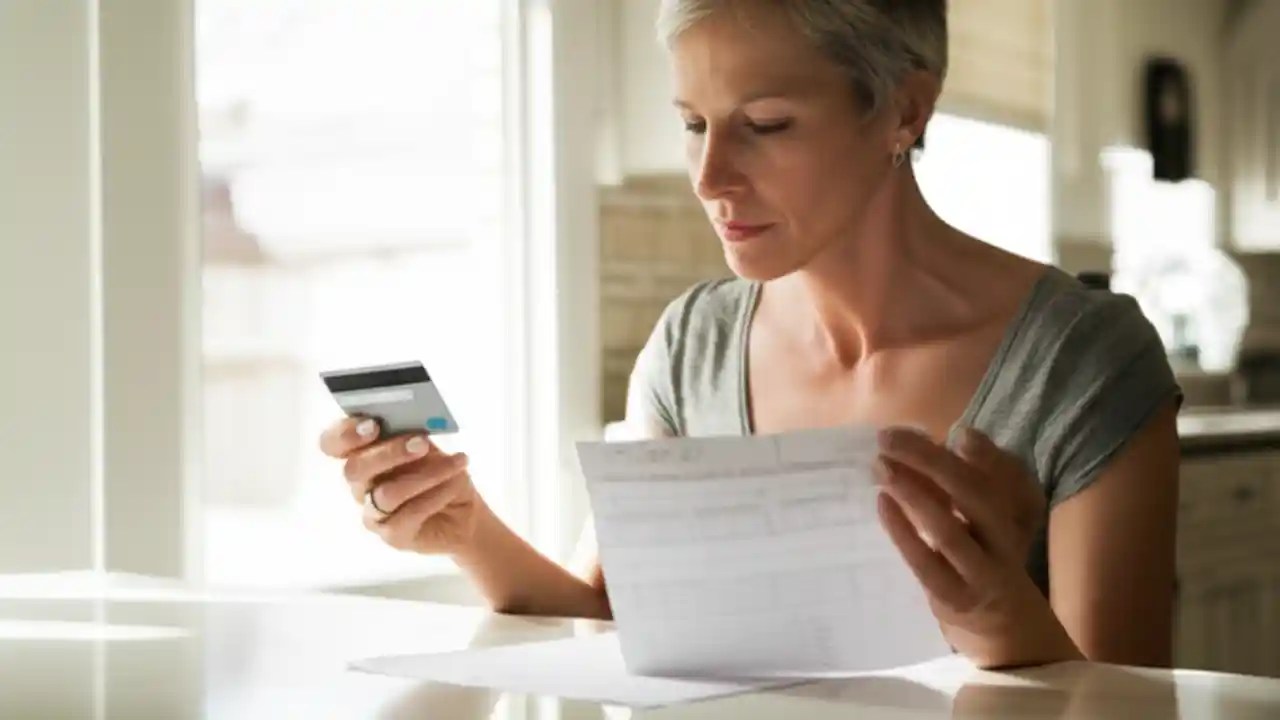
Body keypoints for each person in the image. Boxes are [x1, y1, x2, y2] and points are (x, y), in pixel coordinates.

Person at [319, 0, 1182, 670]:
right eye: (693, 123)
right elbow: (613, 623)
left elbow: (1131, 698)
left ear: (905, 112)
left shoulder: (1083, 361)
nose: (708, 176)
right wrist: (464, 529)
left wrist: (1002, 626)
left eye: (764, 125)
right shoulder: (690, 347)